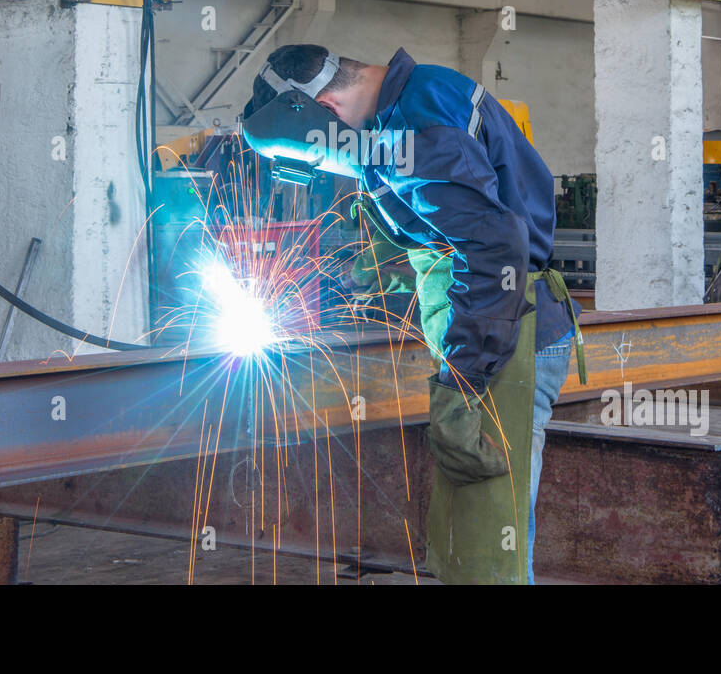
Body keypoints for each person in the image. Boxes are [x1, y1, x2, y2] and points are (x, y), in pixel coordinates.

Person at [240, 43, 584, 584]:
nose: (331, 169)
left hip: (503, 338)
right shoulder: (420, 95)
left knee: (485, 547)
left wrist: (460, 384)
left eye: (317, 158)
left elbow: (496, 255)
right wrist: (380, 275)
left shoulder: (413, 137)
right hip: (493, 323)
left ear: (328, 113)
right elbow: (455, 224)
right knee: (474, 535)